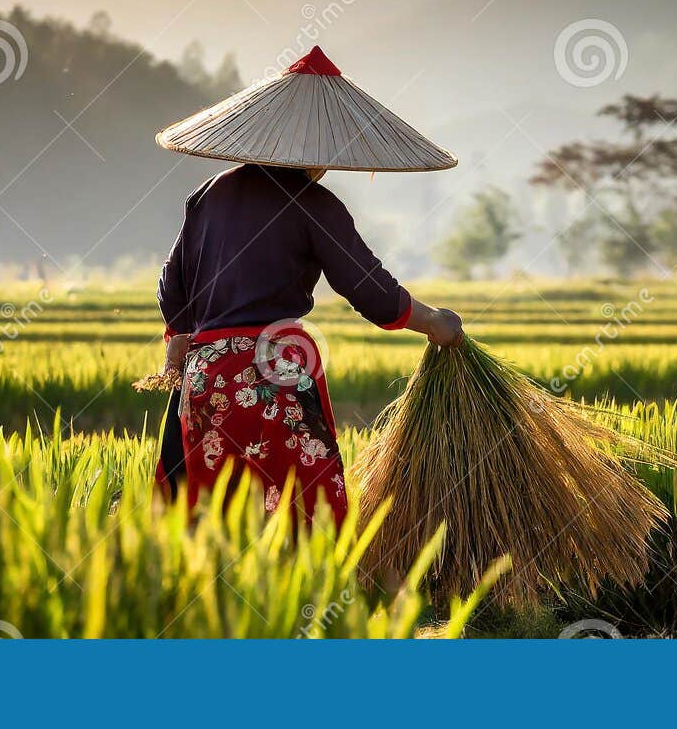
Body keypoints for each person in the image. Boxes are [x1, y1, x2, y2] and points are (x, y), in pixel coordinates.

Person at [151, 46, 464, 525]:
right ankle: (304, 600)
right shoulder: (313, 203)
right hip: (270, 374)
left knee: (212, 519)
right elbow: (372, 292)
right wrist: (434, 322)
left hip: (204, 379)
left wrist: (182, 347)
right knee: (300, 518)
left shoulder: (208, 195)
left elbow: (172, 290)